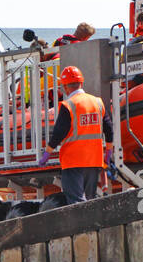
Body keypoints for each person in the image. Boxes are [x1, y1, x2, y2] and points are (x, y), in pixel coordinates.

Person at [40, 66, 111, 203]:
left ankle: (84, 225)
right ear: (81, 83)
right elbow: (109, 129)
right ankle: (92, 225)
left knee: (76, 202)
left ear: (65, 87)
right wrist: (108, 152)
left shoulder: (68, 105)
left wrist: (47, 153)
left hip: (73, 162)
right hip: (94, 161)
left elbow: (59, 133)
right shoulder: (97, 102)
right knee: (89, 200)